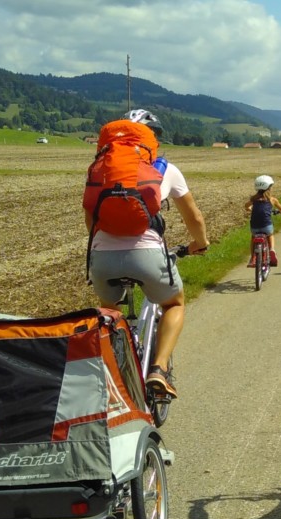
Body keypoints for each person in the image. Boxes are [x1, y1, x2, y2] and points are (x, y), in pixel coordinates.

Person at [85, 108, 210, 400]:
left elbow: (90, 217)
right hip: (148, 255)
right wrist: (200, 243)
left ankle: (111, 373)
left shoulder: (100, 168)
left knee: (109, 311)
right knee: (174, 304)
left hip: (102, 256)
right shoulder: (165, 168)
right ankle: (159, 369)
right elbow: (195, 218)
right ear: (151, 137)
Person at [245, 174, 281, 267]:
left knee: (253, 237)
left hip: (254, 227)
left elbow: (246, 206)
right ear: (269, 188)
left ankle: (253, 258)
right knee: (270, 234)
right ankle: (272, 249)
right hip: (266, 226)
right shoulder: (272, 200)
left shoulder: (253, 199)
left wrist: (249, 209)